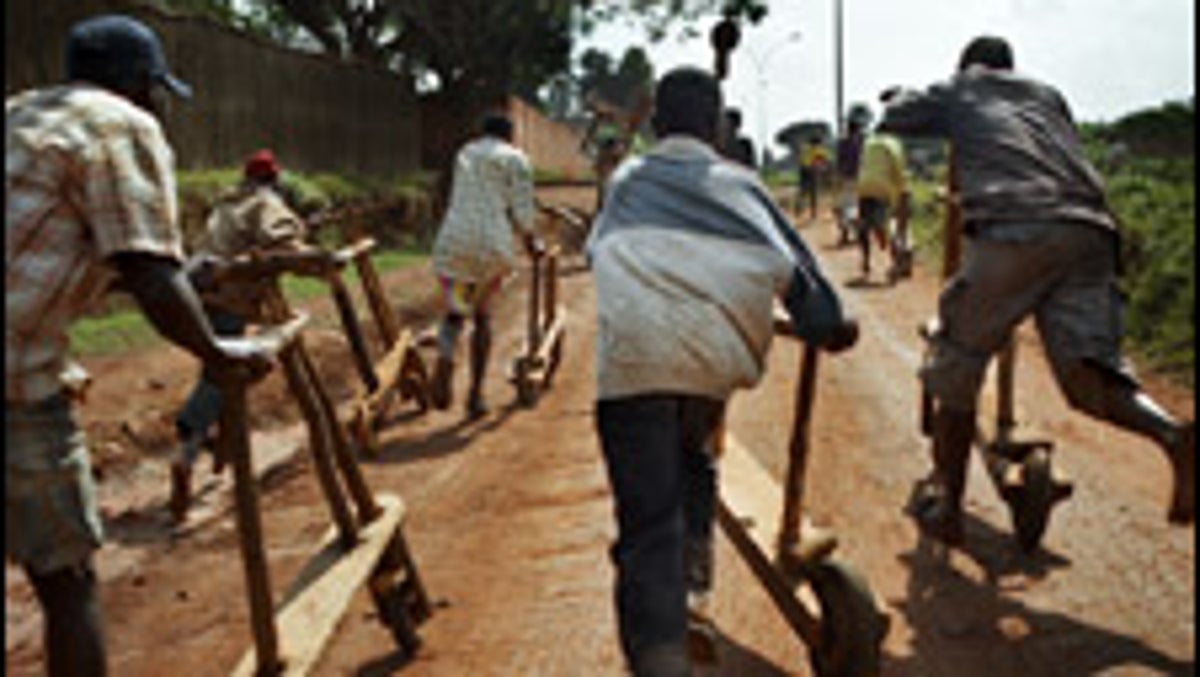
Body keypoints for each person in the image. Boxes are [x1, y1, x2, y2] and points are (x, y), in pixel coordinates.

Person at [6, 14, 272, 676]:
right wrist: (217, 353)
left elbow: (56, 253)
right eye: (156, 90)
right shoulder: (122, 126)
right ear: (136, 84)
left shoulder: (21, 116)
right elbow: (151, 275)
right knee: (66, 579)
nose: (158, 105)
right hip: (14, 378)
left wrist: (187, 280)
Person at [587, 66, 856, 676]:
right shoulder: (747, 189)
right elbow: (819, 307)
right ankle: (694, 597)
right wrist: (828, 330)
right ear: (716, 125)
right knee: (696, 459)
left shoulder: (627, 181)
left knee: (647, 526)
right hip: (712, 370)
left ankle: (662, 655)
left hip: (633, 370)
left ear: (656, 124)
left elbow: (596, 254)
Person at [878, 35, 1194, 546]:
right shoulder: (1047, 95)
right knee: (1089, 370)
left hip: (1015, 224)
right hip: (1090, 228)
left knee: (956, 361)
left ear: (971, 67)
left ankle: (950, 509)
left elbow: (898, 118)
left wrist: (895, 96)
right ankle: (1171, 433)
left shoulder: (966, 86)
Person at [169, 148, 316, 522]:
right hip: (229, 296)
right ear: (273, 181)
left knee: (222, 367)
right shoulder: (265, 202)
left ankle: (215, 440)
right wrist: (306, 247)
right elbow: (281, 238)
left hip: (199, 295)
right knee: (230, 370)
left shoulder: (225, 204)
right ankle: (189, 441)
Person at [429, 113, 540, 420]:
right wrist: (532, 242)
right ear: (510, 136)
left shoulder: (465, 153)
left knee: (455, 312)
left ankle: (446, 356)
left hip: (455, 242)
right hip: (492, 248)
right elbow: (522, 208)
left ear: (482, 133)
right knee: (482, 317)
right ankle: (475, 395)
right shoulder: (516, 159)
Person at [854, 105, 911, 279]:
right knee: (890, 223)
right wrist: (903, 190)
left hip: (863, 186)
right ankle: (897, 262)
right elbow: (897, 168)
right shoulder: (893, 143)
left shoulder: (869, 143)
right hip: (883, 187)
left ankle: (865, 261)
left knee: (864, 225)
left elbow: (863, 165)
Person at [833, 115, 866, 245]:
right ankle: (858, 234)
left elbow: (839, 162)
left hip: (847, 178)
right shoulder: (863, 142)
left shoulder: (843, 142)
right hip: (862, 177)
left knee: (845, 207)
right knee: (858, 207)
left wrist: (837, 178)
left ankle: (845, 235)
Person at [796, 135, 830, 219]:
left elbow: (800, 160)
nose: (820, 144)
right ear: (817, 143)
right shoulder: (818, 150)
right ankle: (813, 213)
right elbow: (822, 160)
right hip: (812, 172)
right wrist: (823, 168)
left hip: (803, 171)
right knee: (813, 193)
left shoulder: (804, 148)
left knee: (803, 191)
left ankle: (799, 207)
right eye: (820, 143)